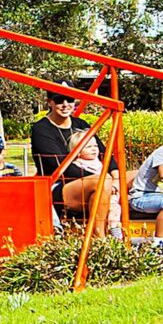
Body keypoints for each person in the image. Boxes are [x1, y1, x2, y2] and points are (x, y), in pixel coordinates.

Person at [29, 86, 117, 233]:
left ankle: (157, 237)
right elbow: (61, 167)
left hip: (92, 177)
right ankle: (99, 235)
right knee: (103, 182)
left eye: (69, 99)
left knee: (134, 175)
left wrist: (116, 175)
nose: (65, 104)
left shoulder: (80, 124)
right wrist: (102, 178)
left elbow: (103, 152)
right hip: (59, 185)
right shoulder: (41, 129)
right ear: (49, 102)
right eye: (58, 100)